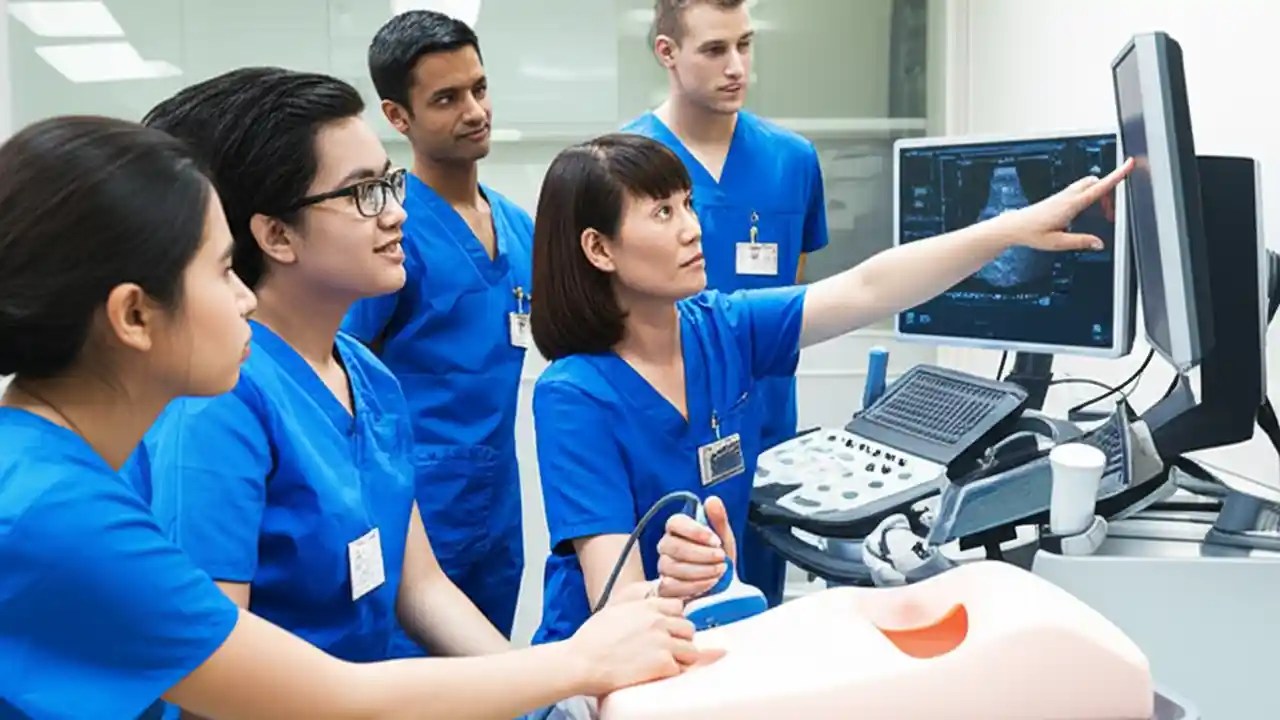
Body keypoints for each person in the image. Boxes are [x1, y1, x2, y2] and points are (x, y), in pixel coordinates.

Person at [0, 115, 709, 719]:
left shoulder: (49, 470)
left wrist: (553, 690)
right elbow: (332, 696)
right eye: (222, 273)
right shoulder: (57, 511)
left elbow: (413, 588)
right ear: (133, 314)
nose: (244, 299)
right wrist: (576, 665)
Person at [527, 132, 1132, 645]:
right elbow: (617, 609)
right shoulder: (575, 395)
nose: (692, 229)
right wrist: (671, 585)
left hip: (711, 645)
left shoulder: (721, 327)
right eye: (663, 213)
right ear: (598, 248)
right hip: (601, 682)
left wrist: (1010, 231)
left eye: (687, 204)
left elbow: (869, 287)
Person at [124, 63, 522, 681]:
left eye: (390, 183)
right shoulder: (217, 397)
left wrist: (546, 684)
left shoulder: (368, 375)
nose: (397, 214)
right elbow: (212, 667)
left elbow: (421, 589)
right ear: (278, 235)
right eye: (364, 192)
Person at [620, 0, 829, 606]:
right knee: (667, 616)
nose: (736, 66)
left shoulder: (793, 161)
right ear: (667, 53)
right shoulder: (624, 164)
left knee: (760, 609)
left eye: (746, 45)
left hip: (767, 426)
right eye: (714, 50)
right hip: (666, 429)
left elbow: (796, 286)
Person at [342, 9, 532, 640]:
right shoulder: (391, 233)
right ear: (399, 117)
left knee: (492, 675)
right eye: (447, 99)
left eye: (479, 89)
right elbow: (338, 367)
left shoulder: (518, 228)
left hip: (498, 503)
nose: (475, 111)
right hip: (415, 504)